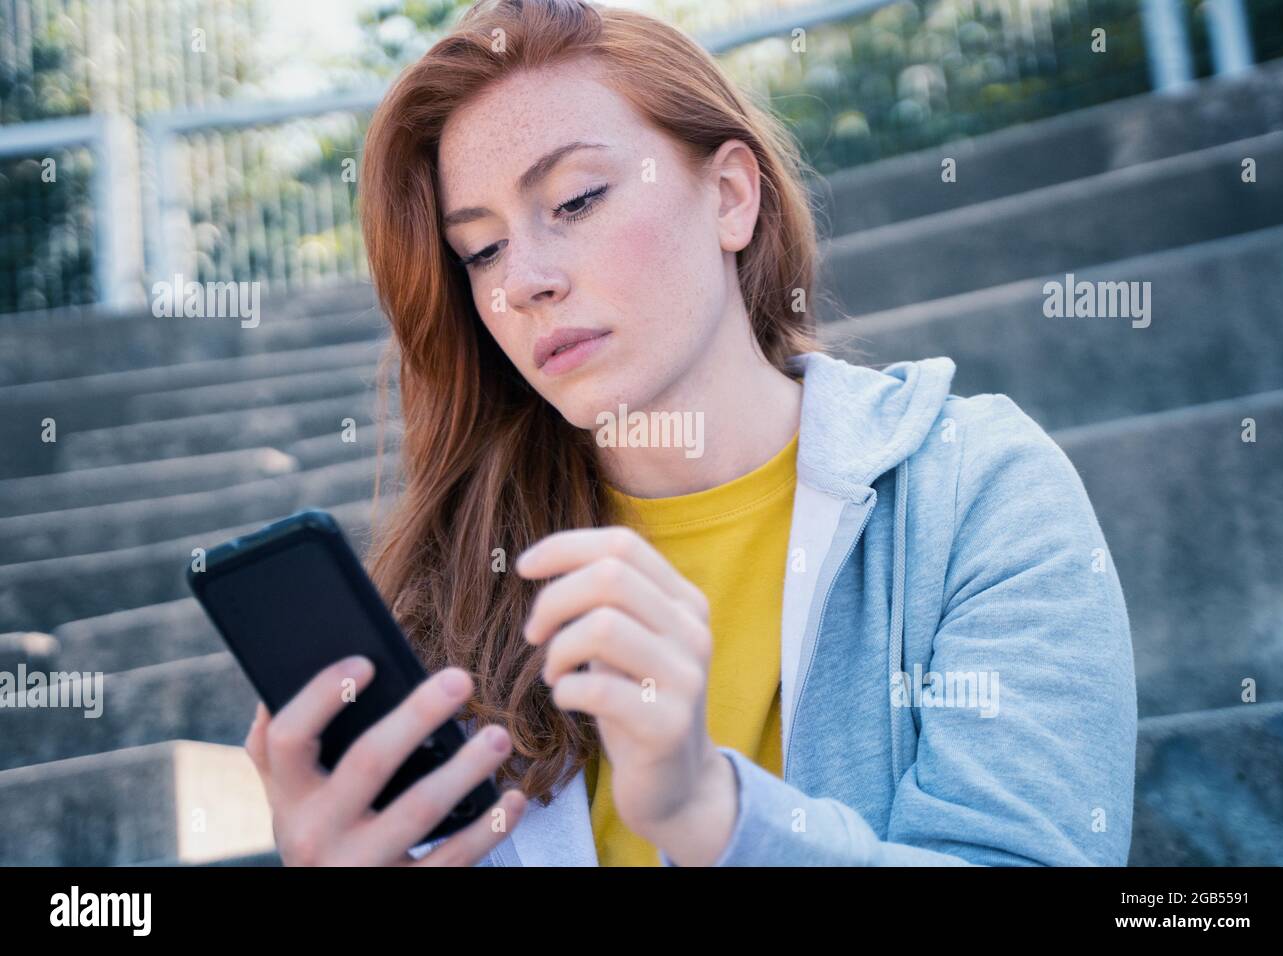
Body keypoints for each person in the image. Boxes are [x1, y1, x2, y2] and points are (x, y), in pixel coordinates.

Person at [244, 0, 1137, 867]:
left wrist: (708, 810)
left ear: (731, 197)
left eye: (577, 199)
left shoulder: (974, 489)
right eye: (479, 251)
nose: (523, 281)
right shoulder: (447, 605)